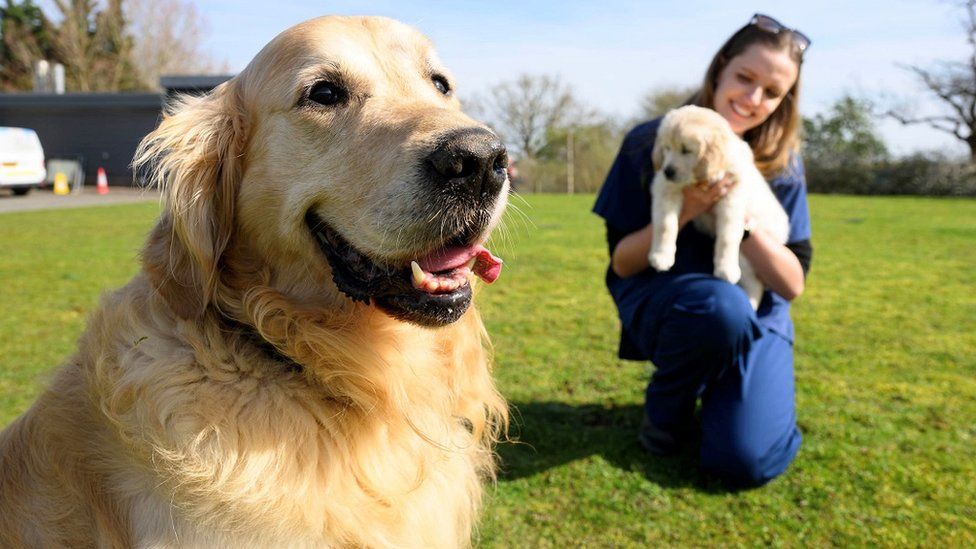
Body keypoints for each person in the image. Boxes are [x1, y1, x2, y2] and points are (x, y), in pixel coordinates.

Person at [593, 13, 813, 487]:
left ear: (784, 101)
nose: (753, 99)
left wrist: (742, 223)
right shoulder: (652, 141)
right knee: (719, 306)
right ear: (720, 69)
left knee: (744, 461)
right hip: (677, 301)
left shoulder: (783, 165)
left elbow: (792, 283)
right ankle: (667, 409)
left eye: (772, 92)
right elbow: (623, 261)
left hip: (760, 308)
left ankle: (730, 391)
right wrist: (690, 205)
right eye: (744, 78)